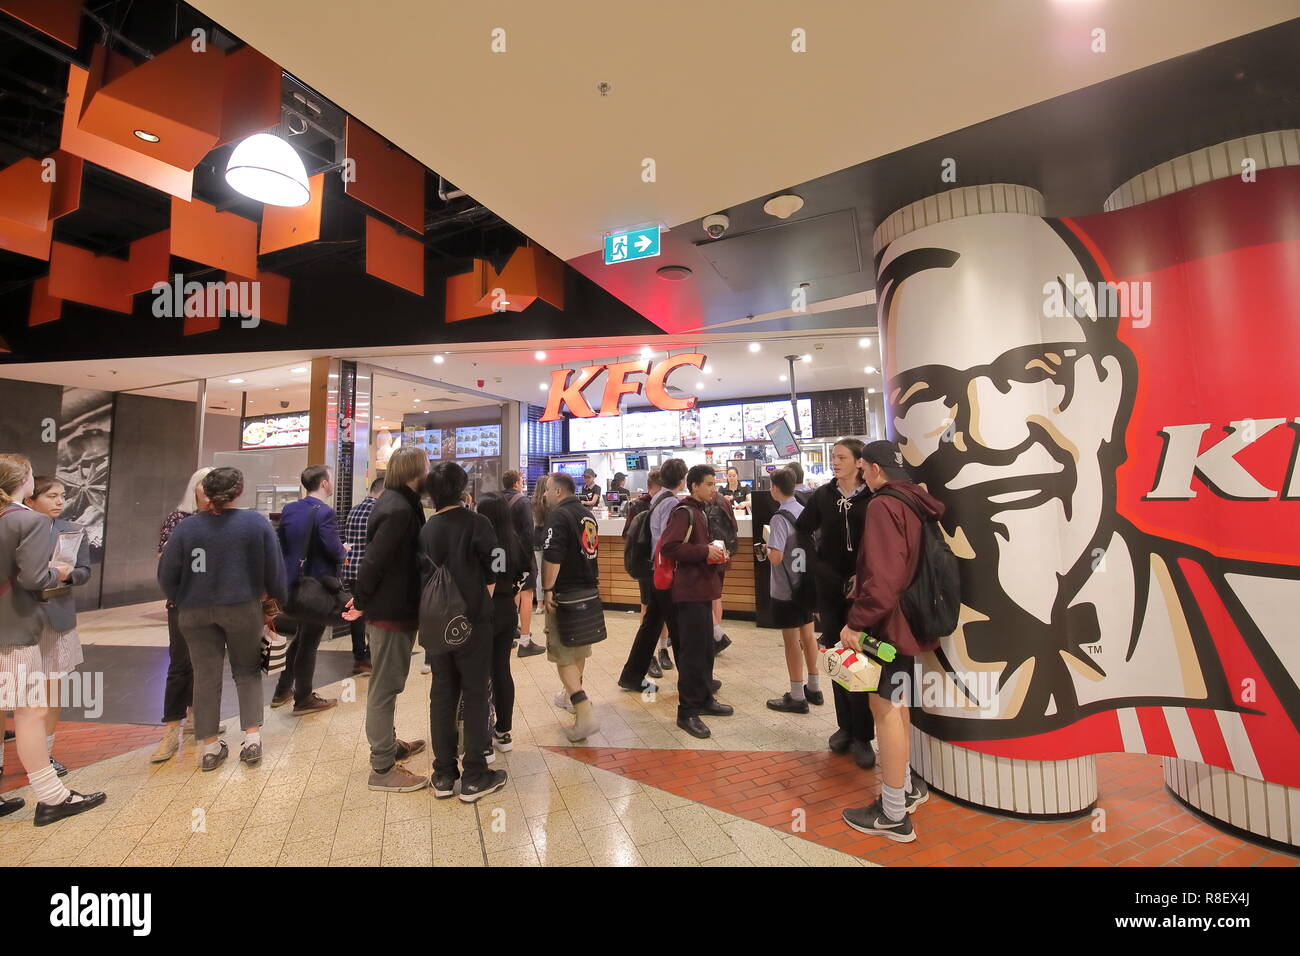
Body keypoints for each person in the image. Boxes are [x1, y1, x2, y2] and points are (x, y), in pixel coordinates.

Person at [839, 441, 945, 842]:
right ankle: (908, 786)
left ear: (877, 469)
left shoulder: (884, 505)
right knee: (899, 708)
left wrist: (856, 623)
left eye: (864, 469)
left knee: (883, 708)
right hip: (913, 621)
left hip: (889, 624)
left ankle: (893, 813)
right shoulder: (916, 500)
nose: (862, 476)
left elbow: (883, 583)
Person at [0, 453, 106, 824]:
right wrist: (58, 573)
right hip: (13, 628)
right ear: (25, 482)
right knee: (30, 712)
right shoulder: (25, 520)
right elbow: (33, 579)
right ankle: (52, 797)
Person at [158, 467, 287, 771]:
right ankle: (252, 739)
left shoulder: (187, 528)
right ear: (239, 490)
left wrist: (183, 596)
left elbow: (166, 574)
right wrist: (275, 600)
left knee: (205, 675)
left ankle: (209, 748)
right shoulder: (256, 523)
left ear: (204, 492)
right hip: (242, 607)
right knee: (247, 670)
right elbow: (275, 570)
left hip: (194, 610)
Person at [418, 462, 508, 801]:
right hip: (473, 620)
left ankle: (442, 774)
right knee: (474, 692)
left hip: (437, 623)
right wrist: (485, 592)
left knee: (442, 693)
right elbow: (497, 560)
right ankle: (474, 774)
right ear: (462, 488)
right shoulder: (478, 522)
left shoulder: (427, 530)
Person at [344, 446, 429, 792]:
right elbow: (374, 562)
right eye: (427, 466)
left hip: (396, 607)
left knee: (389, 682)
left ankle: (390, 745)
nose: (431, 472)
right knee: (385, 687)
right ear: (414, 470)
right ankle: (381, 767)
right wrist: (362, 601)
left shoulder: (400, 502)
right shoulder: (397, 509)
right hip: (390, 611)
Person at [795, 437, 875, 768]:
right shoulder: (823, 496)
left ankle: (863, 736)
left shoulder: (873, 498)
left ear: (860, 462)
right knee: (837, 658)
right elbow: (801, 532)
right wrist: (819, 569)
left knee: (861, 659)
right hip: (829, 591)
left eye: (841, 457)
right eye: (833, 457)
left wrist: (863, 574)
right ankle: (844, 727)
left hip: (865, 592)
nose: (835, 462)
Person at [21, 476, 91, 776]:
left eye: (62, 495)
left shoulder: (73, 531)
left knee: (52, 686)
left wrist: (68, 576)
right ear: (30, 500)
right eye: (51, 496)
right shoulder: (15, 530)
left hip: (57, 615)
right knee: (11, 689)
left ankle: (46, 753)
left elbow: (85, 570)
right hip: (19, 617)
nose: (60, 501)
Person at [661, 464, 733, 739]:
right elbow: (670, 547)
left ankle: (704, 699)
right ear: (694, 486)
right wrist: (705, 551)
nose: (714, 489)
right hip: (688, 593)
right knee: (692, 653)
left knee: (705, 649)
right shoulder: (684, 512)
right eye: (709, 484)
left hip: (702, 591)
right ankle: (687, 710)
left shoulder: (699, 511)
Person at [150, 466, 215, 763]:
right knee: (180, 664)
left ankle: (197, 719)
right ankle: (171, 729)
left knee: (208, 664)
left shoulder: (223, 520)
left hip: (216, 604)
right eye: (206, 485)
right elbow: (166, 564)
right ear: (196, 488)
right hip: (183, 604)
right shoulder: (179, 520)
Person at [272, 464, 345, 716]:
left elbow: (282, 545)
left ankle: (282, 689)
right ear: (324, 483)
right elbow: (333, 549)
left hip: (292, 585)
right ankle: (303, 697)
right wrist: (344, 550)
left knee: (302, 637)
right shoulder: (325, 512)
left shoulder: (290, 509)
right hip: (316, 588)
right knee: (309, 642)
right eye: (331, 479)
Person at [540, 471, 602, 741]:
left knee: (563, 655)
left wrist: (548, 589)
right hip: (588, 591)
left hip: (565, 594)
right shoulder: (586, 514)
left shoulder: (558, 516)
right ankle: (569, 697)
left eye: (546, 490)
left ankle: (583, 709)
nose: (543, 494)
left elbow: (553, 556)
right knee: (579, 649)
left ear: (557, 491)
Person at [616, 460, 684, 692]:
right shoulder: (672, 502)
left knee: (651, 625)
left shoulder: (657, 500)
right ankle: (694, 683)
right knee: (680, 627)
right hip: (665, 572)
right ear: (683, 479)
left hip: (653, 570)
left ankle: (632, 676)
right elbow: (669, 541)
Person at [764, 467, 822, 713]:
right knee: (808, 636)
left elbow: (776, 557)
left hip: (786, 590)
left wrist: (764, 547)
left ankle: (797, 696)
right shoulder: (804, 511)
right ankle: (815, 687)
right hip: (806, 585)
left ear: (775, 489)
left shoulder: (779, 518)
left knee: (791, 641)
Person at [477, 493, 529, 753]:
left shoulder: (484, 542)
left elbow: (486, 576)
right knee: (501, 669)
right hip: (508, 609)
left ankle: (482, 739)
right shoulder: (513, 541)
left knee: (481, 673)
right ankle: (504, 731)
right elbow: (525, 572)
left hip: (486, 609)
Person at [620, 468, 671, 679]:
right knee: (649, 607)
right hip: (647, 564)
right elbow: (629, 535)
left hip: (657, 564)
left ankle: (662, 650)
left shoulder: (658, 503)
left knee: (658, 608)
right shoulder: (641, 505)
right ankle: (652, 654)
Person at [340, 475, 385, 675]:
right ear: (382, 491)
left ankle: (360, 657)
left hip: (350, 570)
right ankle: (369, 655)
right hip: (367, 570)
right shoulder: (378, 511)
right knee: (373, 614)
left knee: (356, 615)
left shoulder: (354, 510)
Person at [501, 470, 544, 659]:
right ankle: (525, 641)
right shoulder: (522, 501)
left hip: (501, 556)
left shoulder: (497, 500)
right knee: (527, 594)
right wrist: (528, 561)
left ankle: (508, 634)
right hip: (520, 556)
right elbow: (528, 532)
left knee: (512, 593)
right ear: (517, 483)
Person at [530, 473, 551, 616]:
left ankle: (539, 604)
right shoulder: (549, 501)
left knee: (539, 573)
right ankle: (550, 601)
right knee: (550, 571)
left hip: (536, 537)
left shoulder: (532, 502)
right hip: (548, 536)